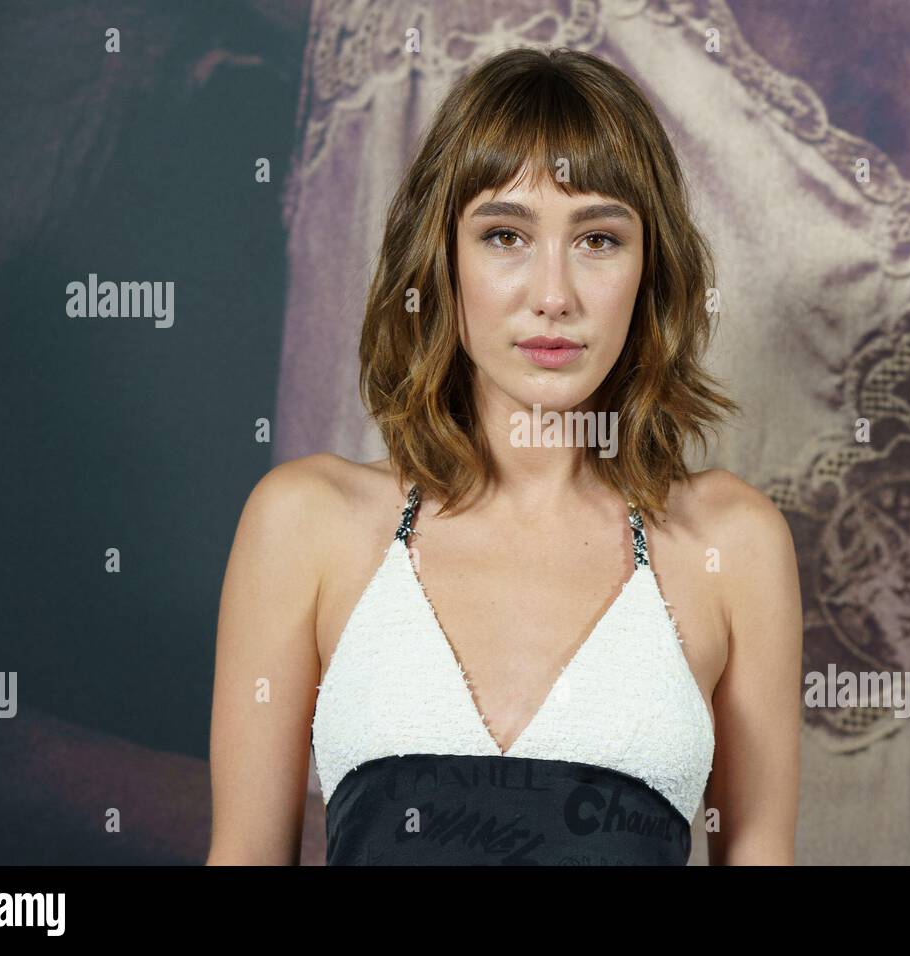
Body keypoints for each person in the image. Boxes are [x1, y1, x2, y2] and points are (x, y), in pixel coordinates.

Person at [206, 46, 802, 865]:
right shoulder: (305, 522)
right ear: (441, 260)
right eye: (505, 235)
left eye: (597, 238)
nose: (552, 294)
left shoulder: (731, 543)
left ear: (649, 268)